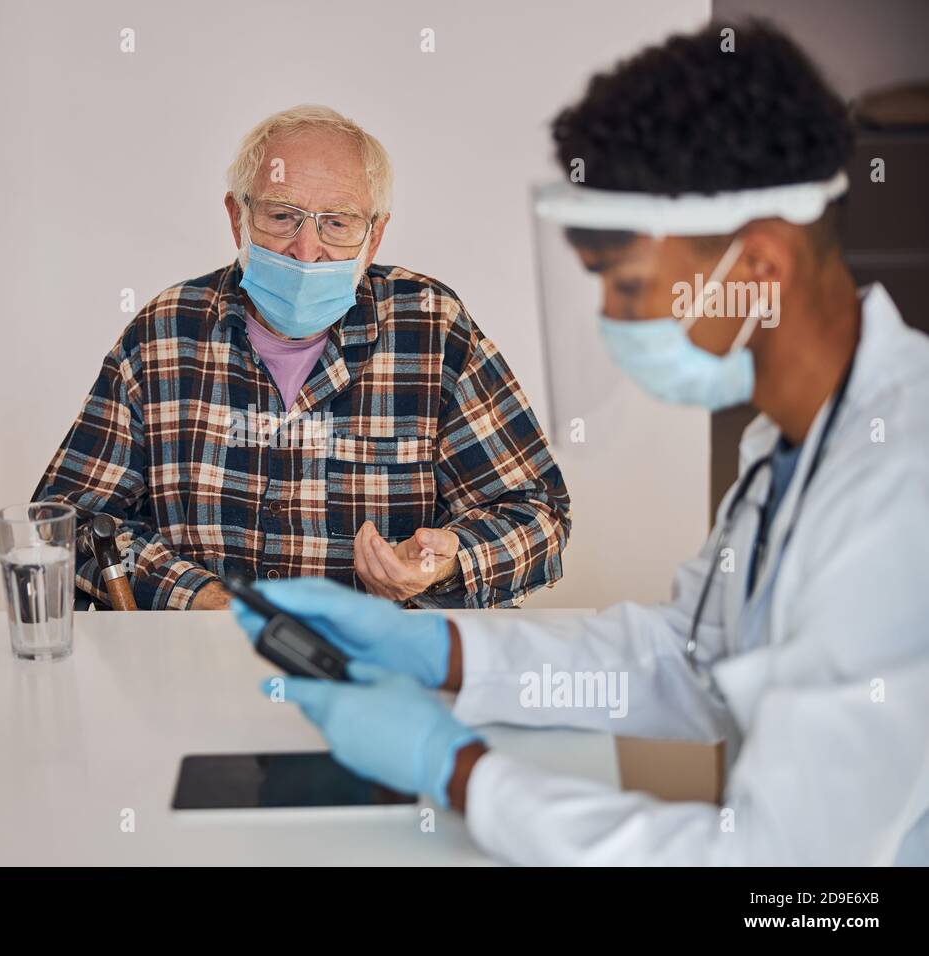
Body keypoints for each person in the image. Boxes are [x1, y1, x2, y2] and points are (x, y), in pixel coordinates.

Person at [232, 23, 929, 864]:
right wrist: (441, 648)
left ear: (762, 268)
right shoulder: (791, 446)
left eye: (628, 283)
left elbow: (786, 879)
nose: (614, 320)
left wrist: (457, 772)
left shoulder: (900, 483)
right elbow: (688, 661)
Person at [34, 105, 569, 610]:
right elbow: (65, 521)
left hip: (376, 670)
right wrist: (200, 599)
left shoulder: (432, 328)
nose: (307, 249)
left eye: (337, 222)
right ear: (237, 217)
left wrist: (446, 562)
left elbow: (537, 515)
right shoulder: (166, 331)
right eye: (282, 216)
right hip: (200, 670)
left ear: (375, 235)